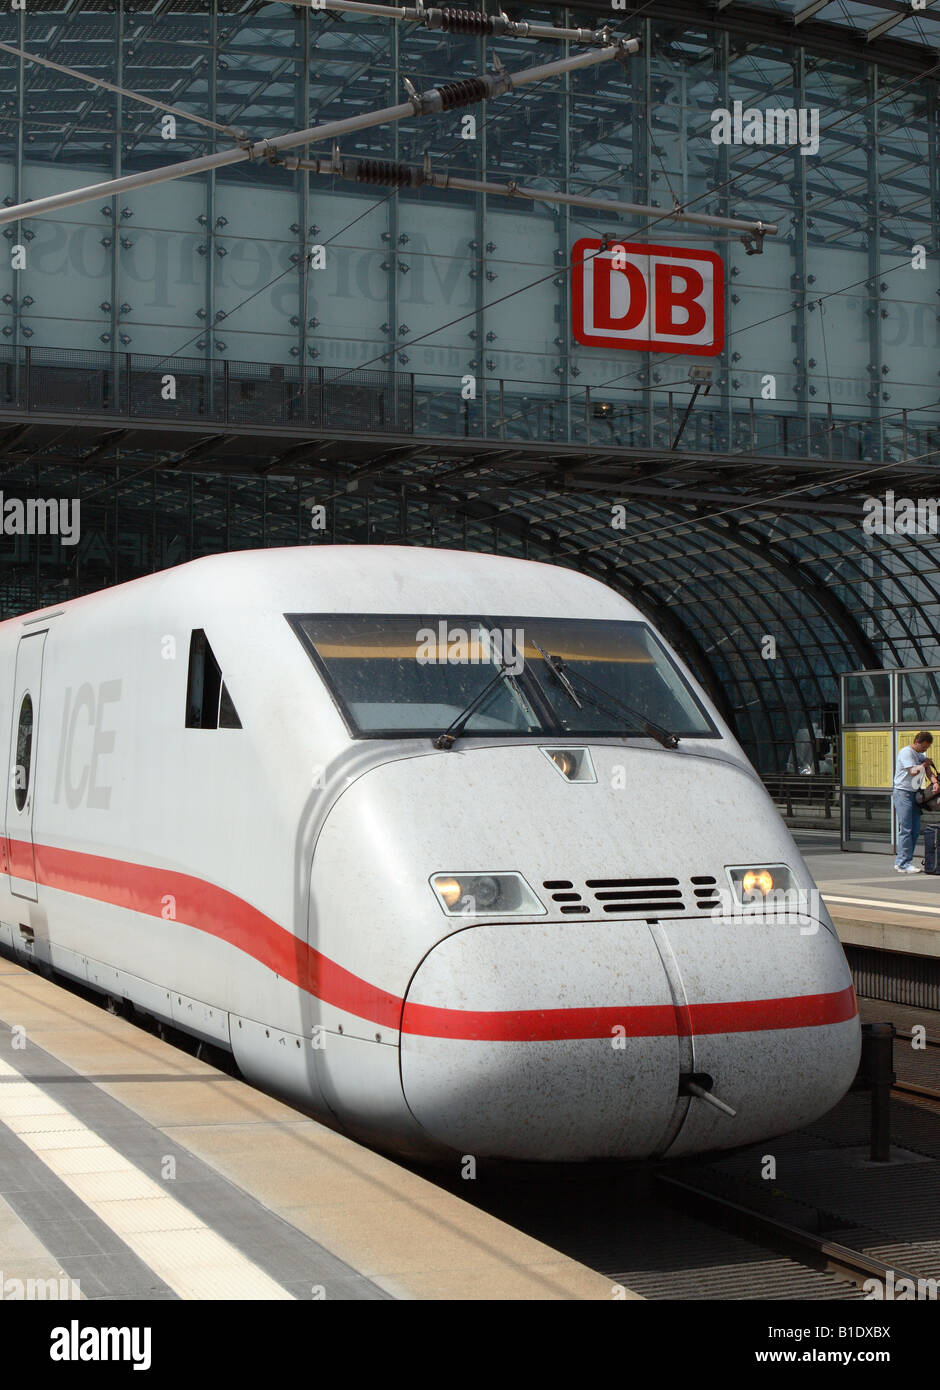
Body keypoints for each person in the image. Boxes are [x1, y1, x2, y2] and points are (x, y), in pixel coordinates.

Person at [893, 731, 939, 873]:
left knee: (915, 828)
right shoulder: (906, 752)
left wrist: (935, 782)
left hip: (915, 793)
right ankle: (902, 863)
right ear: (917, 742)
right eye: (924, 747)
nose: (925, 750)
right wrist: (925, 763)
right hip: (903, 793)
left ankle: (906, 860)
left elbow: (928, 771)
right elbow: (913, 771)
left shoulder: (921, 755)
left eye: (927, 748)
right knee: (906, 829)